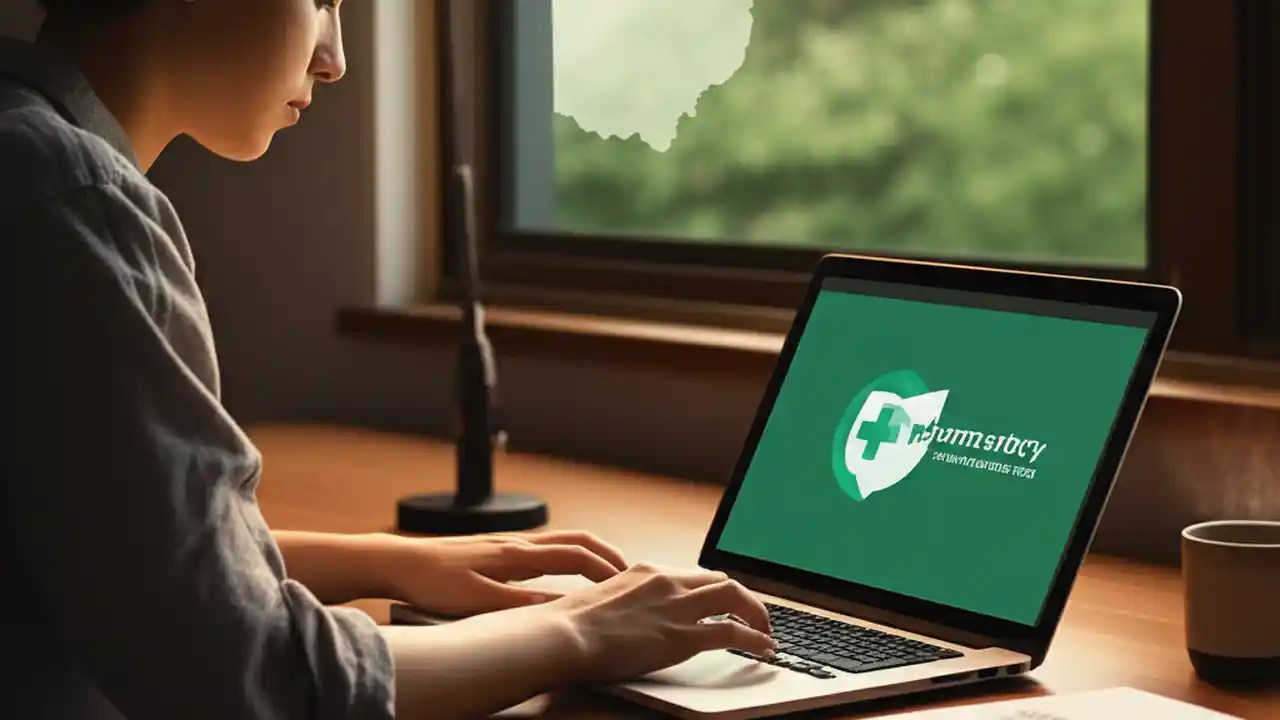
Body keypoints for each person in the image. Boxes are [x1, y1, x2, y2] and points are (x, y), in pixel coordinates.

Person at [0, 1, 776, 718]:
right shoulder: (71, 200)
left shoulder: (29, 153)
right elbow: (255, 677)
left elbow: (131, 556)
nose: (335, 59)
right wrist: (579, 630)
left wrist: (388, 562)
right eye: (324, 1)